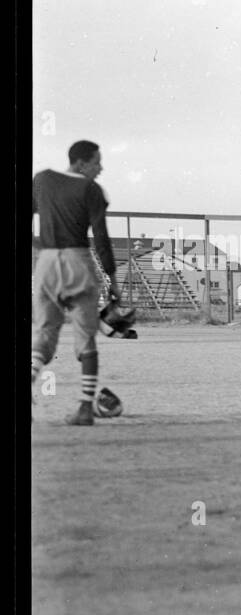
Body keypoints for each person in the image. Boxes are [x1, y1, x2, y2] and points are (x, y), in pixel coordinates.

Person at [31, 140, 122, 425]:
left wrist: (41, 246)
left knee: (44, 332)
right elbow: (101, 237)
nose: (100, 168)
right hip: (76, 261)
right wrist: (112, 278)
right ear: (81, 163)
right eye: (97, 162)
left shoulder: (42, 179)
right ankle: (85, 408)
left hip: (45, 262)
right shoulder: (91, 189)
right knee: (85, 334)